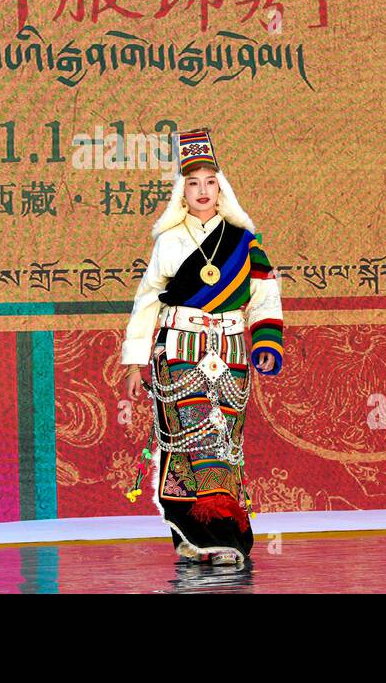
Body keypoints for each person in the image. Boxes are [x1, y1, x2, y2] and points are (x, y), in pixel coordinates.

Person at [122, 128, 285, 567]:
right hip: (179, 351)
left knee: (225, 441)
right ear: (182, 191)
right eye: (192, 183)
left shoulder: (244, 242)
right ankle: (197, 537)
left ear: (221, 188)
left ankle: (223, 533)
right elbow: (146, 300)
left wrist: (266, 340)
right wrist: (136, 361)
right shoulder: (169, 241)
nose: (202, 191)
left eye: (209, 182)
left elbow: (265, 295)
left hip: (230, 352)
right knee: (189, 441)